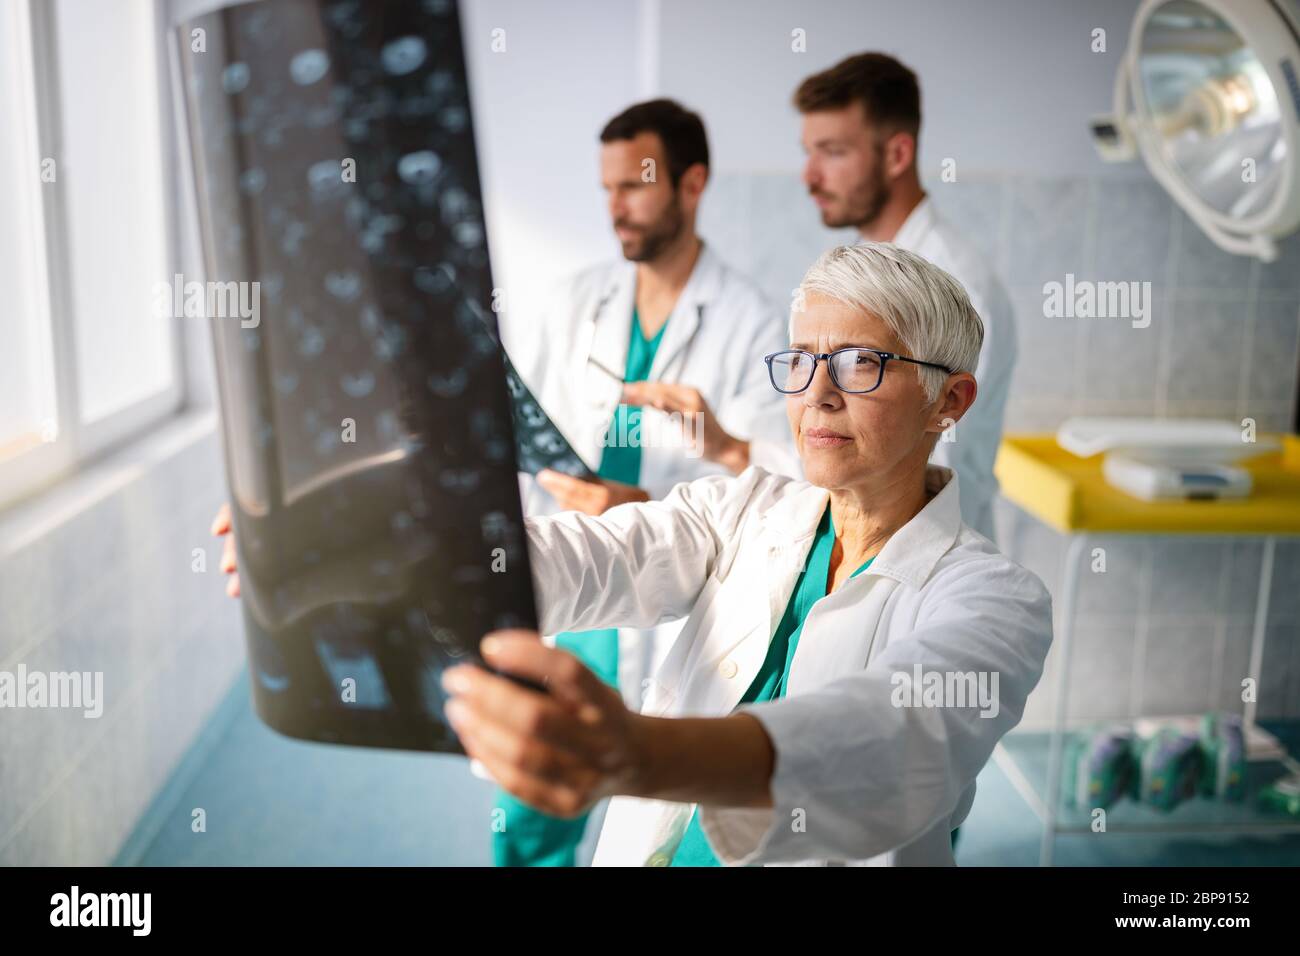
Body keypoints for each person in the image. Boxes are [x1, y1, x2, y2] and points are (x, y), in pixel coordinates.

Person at [217, 242, 1052, 864]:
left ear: (953, 399)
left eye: (861, 364)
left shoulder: (995, 601)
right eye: (801, 362)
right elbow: (591, 556)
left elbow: (898, 738)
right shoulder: (746, 508)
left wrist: (633, 752)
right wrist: (382, 552)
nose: (818, 393)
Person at [651, 54, 1015, 542]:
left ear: (897, 155)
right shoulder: (858, 268)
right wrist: (731, 447)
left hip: (919, 553)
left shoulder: (952, 286)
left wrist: (738, 452)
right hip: (856, 541)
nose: (810, 177)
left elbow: (904, 465)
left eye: (832, 152)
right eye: (808, 152)